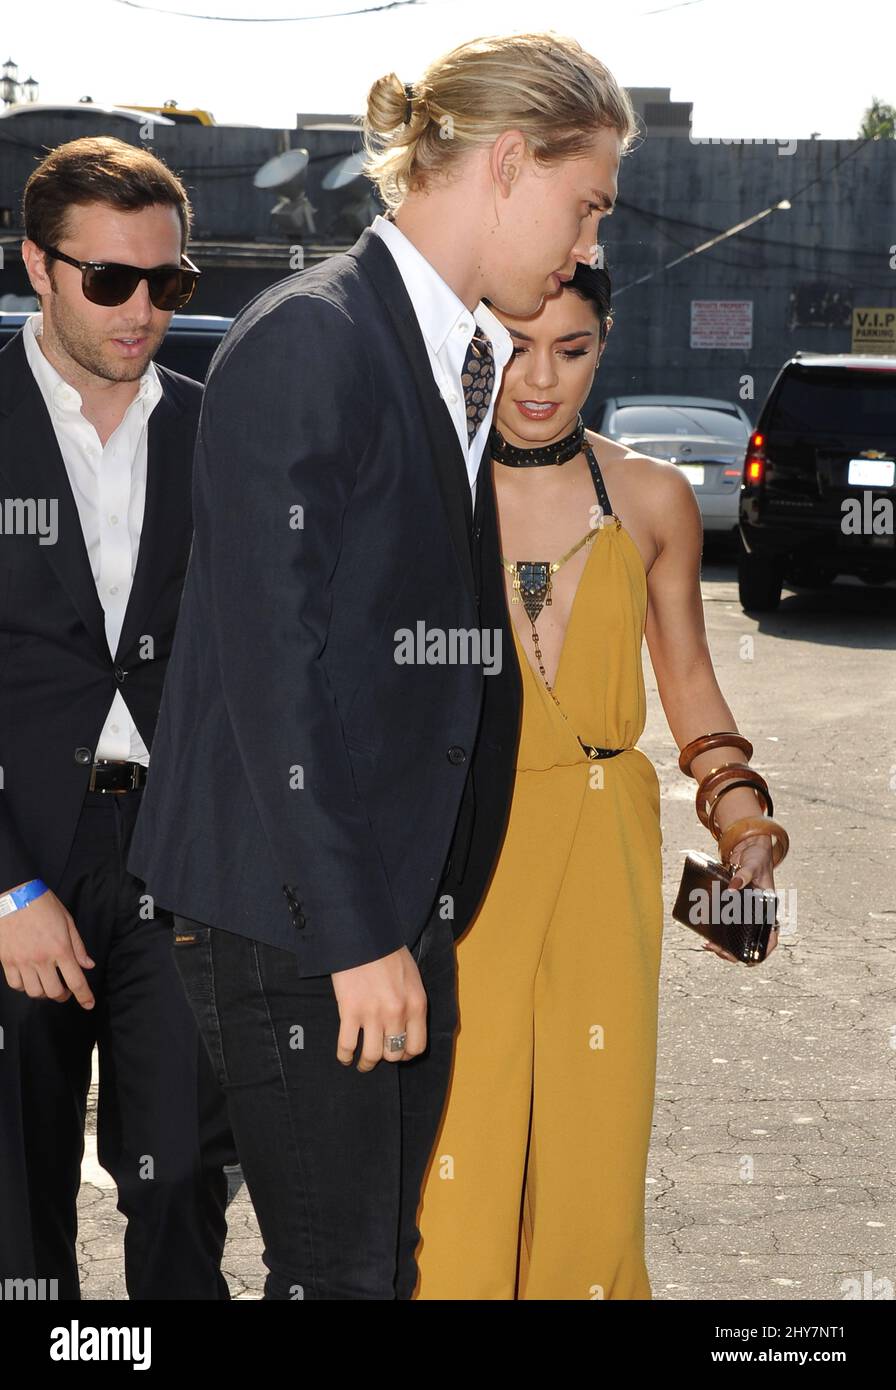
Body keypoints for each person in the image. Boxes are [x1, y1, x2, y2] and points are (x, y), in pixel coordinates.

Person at [126, 33, 637, 1298]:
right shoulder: (313, 339)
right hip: (298, 913)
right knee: (339, 1272)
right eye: (586, 206)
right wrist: (358, 936)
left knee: (379, 1267)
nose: (585, 246)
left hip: (393, 906)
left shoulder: (445, 345)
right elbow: (269, 666)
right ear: (509, 163)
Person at [414, 261, 785, 1299]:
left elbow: (690, 684)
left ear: (602, 345)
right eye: (512, 348)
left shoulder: (653, 497)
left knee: (592, 1135)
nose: (540, 379)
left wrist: (740, 811)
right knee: (461, 1139)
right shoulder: (421, 487)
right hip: (462, 846)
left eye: (569, 351)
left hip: (603, 847)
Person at [0, 136, 234, 1299]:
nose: (143, 310)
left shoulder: (219, 432)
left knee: (184, 1172)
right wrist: (7, 888)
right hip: (19, 865)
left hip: (177, 865)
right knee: (14, 1210)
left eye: (170, 283)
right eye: (111, 280)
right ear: (38, 267)